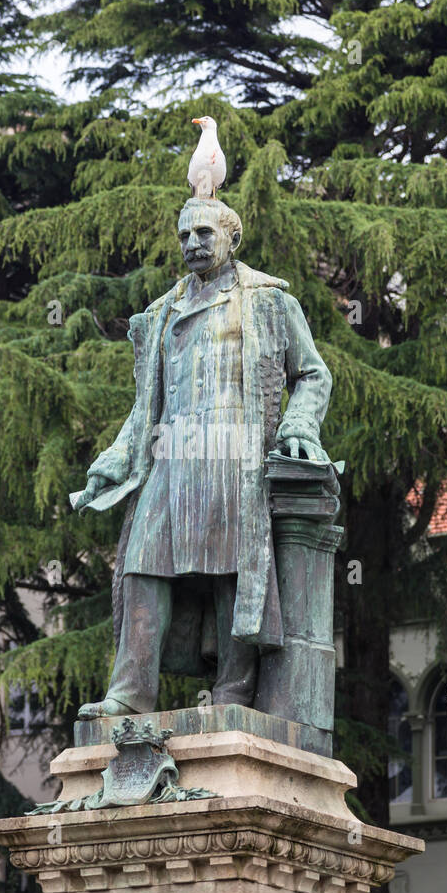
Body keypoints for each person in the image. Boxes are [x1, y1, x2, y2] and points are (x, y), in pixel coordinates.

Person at [73, 197, 332, 718]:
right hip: (171, 456)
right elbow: (146, 405)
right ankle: (131, 691)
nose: (193, 243)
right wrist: (115, 459)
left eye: (204, 233)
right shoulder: (162, 312)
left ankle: (233, 691)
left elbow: (312, 374)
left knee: (231, 571)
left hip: (235, 456)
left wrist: (299, 424)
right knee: (142, 565)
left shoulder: (270, 301)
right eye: (185, 235)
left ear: (231, 239)